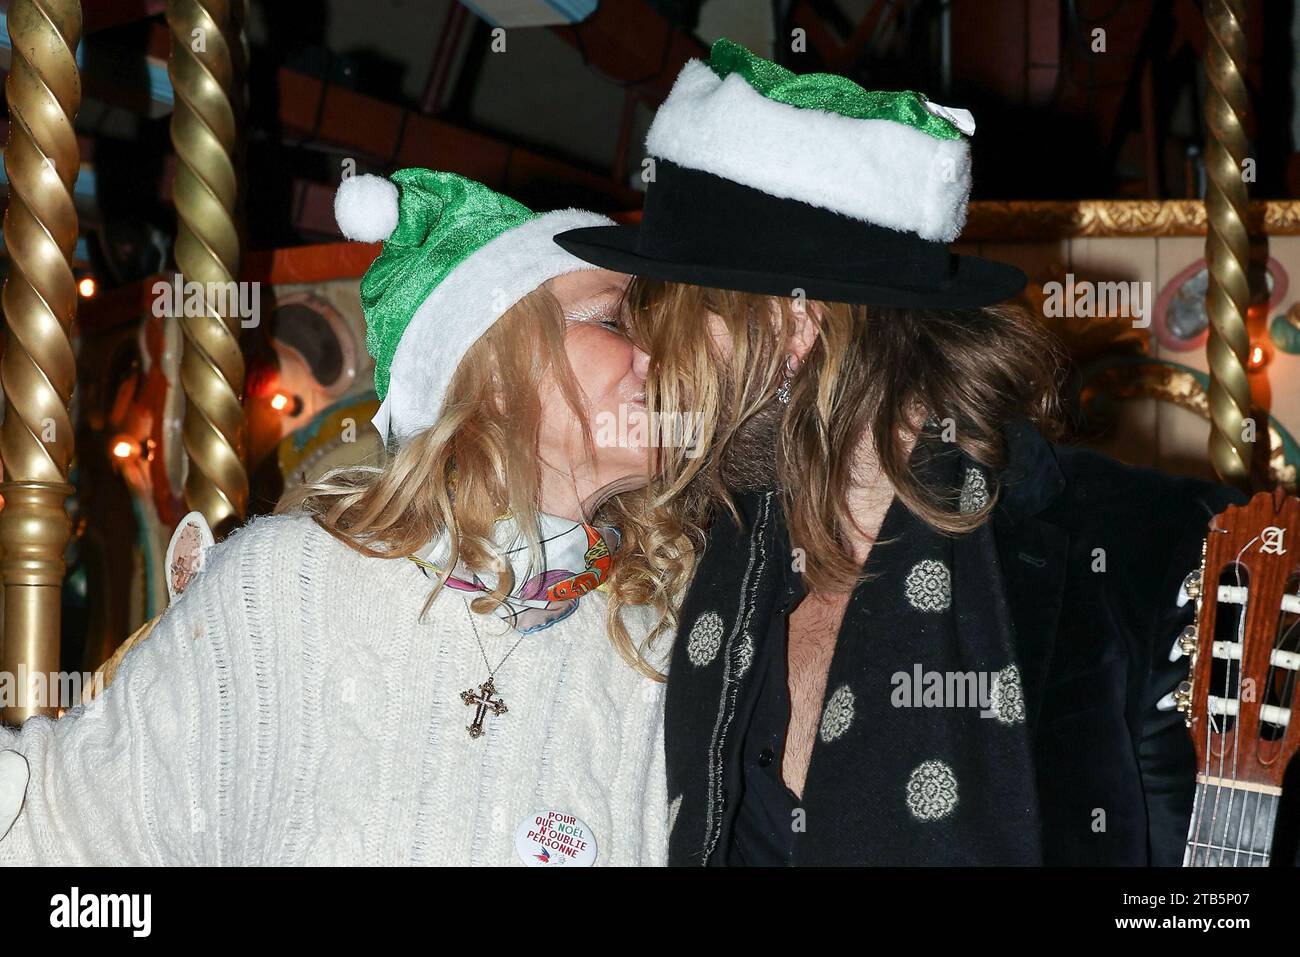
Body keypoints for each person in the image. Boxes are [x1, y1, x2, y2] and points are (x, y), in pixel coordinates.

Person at [557, 38, 1245, 865]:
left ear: (793, 326)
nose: (654, 371)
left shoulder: (1165, 552)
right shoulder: (713, 564)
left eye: (672, 329)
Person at [0, 169, 697, 866]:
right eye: (613, 320)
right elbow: (65, 835)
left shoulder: (663, 646)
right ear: (494, 376)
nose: (658, 359)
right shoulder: (285, 588)